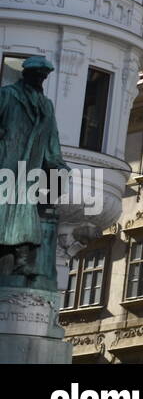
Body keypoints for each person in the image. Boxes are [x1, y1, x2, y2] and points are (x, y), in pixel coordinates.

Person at [0, 56, 67, 284]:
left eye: (43, 77)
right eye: (37, 76)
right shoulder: (7, 95)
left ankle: (22, 259)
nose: (40, 80)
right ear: (26, 75)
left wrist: (57, 164)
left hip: (31, 167)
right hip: (7, 161)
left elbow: (51, 138)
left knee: (25, 212)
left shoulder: (46, 105)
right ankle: (13, 257)